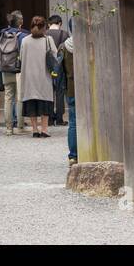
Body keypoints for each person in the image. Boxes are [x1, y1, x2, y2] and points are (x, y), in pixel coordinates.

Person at [18, 16, 58, 138]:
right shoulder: (48, 40)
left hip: (28, 78)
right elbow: (54, 56)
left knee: (31, 103)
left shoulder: (24, 40)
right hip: (44, 77)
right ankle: (44, 130)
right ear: (45, 27)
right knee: (45, 103)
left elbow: (20, 57)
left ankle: (35, 129)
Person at [0, 10, 27, 135]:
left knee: (8, 98)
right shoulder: (23, 36)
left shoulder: (2, 35)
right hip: (19, 69)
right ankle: (20, 126)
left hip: (5, 69)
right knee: (19, 98)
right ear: (20, 23)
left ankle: (8, 128)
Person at [47, 15, 71, 126]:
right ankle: (59, 118)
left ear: (49, 24)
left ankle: (50, 118)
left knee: (49, 93)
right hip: (61, 67)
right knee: (60, 92)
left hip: (48, 68)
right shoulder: (65, 34)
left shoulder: (45, 34)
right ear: (60, 23)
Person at [62, 29, 77, 165]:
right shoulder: (88, 43)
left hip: (71, 88)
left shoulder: (64, 46)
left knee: (73, 123)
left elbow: (59, 69)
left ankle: (73, 155)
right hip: (89, 88)